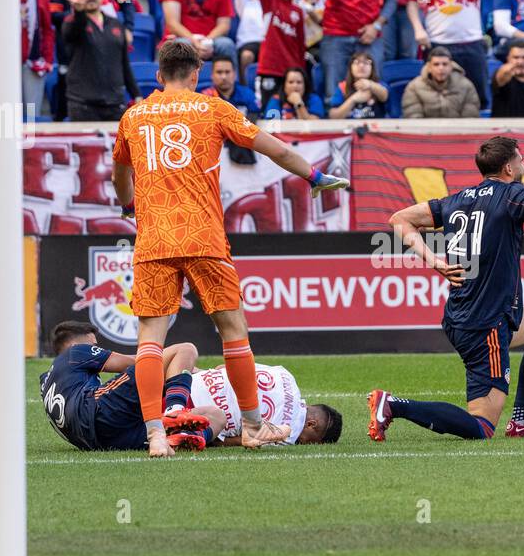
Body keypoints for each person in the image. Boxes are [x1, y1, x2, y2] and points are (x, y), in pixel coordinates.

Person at [110, 38, 351, 455]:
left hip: (154, 238)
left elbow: (119, 172)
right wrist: (314, 177)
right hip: (204, 237)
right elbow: (273, 147)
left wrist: (128, 204)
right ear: (197, 73)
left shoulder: (134, 117)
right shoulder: (213, 108)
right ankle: (254, 426)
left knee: (150, 339)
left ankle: (153, 436)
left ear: (158, 74)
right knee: (233, 332)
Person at [370, 136, 524, 441]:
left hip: (470, 313)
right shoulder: (513, 194)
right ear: (508, 168)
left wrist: (432, 260)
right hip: (484, 324)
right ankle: (393, 405)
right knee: (481, 427)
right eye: (521, 159)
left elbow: (400, 219)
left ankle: (521, 420)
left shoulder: (458, 199)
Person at [38, 322, 213, 452]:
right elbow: (143, 362)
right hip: (97, 413)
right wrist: (201, 371)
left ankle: (183, 437)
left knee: (216, 418)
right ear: (74, 345)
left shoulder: (47, 380)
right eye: (92, 345)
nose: (96, 348)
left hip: (98, 442)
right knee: (185, 350)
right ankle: (174, 409)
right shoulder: (75, 352)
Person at [178, 361, 344, 448]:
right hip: (194, 414)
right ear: (311, 424)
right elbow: (225, 442)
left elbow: (226, 367)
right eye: (313, 443)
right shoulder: (287, 435)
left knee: (186, 353)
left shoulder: (285, 374)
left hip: (183, 382)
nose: (306, 444)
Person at [61, 0, 139, 121]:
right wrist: (79, 13)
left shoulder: (116, 24)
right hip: (82, 105)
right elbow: (71, 34)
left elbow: (124, 64)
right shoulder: (72, 21)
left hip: (115, 104)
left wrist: (136, 95)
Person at [249, 0, 308, 112]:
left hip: (291, 71)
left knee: (291, 110)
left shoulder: (298, 11)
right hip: (270, 68)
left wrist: (300, 71)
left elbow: (300, 44)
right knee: (269, 111)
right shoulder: (269, 4)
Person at [402, 45, 482, 116]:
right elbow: (414, 119)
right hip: (426, 131)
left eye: (445, 64)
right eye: (436, 64)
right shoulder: (414, 87)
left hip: (457, 131)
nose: (441, 68)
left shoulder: (466, 86)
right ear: (429, 67)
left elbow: (470, 120)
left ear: (451, 66)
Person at [20, 0, 56, 115]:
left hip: (33, 60)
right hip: (8, 63)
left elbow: (47, 29)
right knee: (8, 114)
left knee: (32, 113)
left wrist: (47, 59)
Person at [330, 51, 389, 118]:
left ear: (372, 68)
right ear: (350, 68)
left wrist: (370, 85)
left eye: (366, 63)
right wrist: (353, 99)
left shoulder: (379, 84)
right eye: (356, 62)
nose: (361, 66)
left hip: (376, 126)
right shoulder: (343, 86)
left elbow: (385, 96)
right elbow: (333, 116)